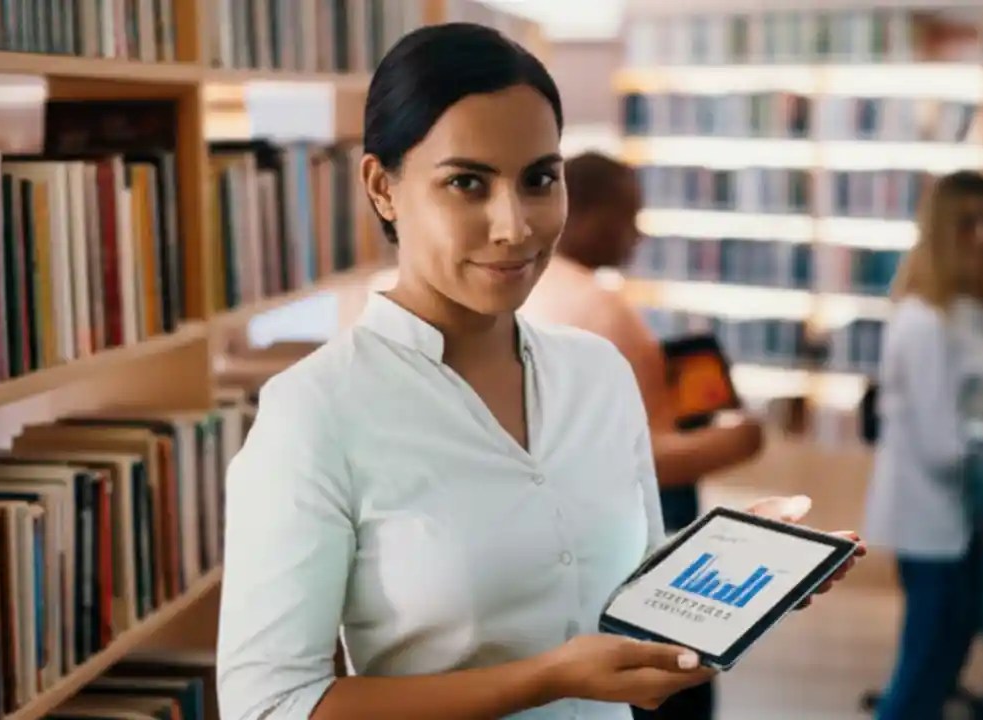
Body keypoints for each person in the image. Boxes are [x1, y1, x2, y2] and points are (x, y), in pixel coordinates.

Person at [215, 24, 860, 720]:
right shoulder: (315, 412)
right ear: (383, 187)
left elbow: (618, 580)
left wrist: (731, 561)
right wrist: (545, 679)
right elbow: (270, 706)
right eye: (467, 182)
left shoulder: (597, 372)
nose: (515, 226)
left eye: (539, 180)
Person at [521, 152, 766, 720]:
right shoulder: (600, 309)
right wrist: (743, 439)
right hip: (631, 562)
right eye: (627, 215)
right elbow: (645, 457)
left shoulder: (527, 295)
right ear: (587, 212)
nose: (637, 233)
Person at [862, 170, 983, 720]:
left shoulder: (975, 310)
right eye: (968, 223)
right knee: (924, 666)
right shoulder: (923, 320)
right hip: (933, 518)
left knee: (943, 659)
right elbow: (940, 444)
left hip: (967, 517)